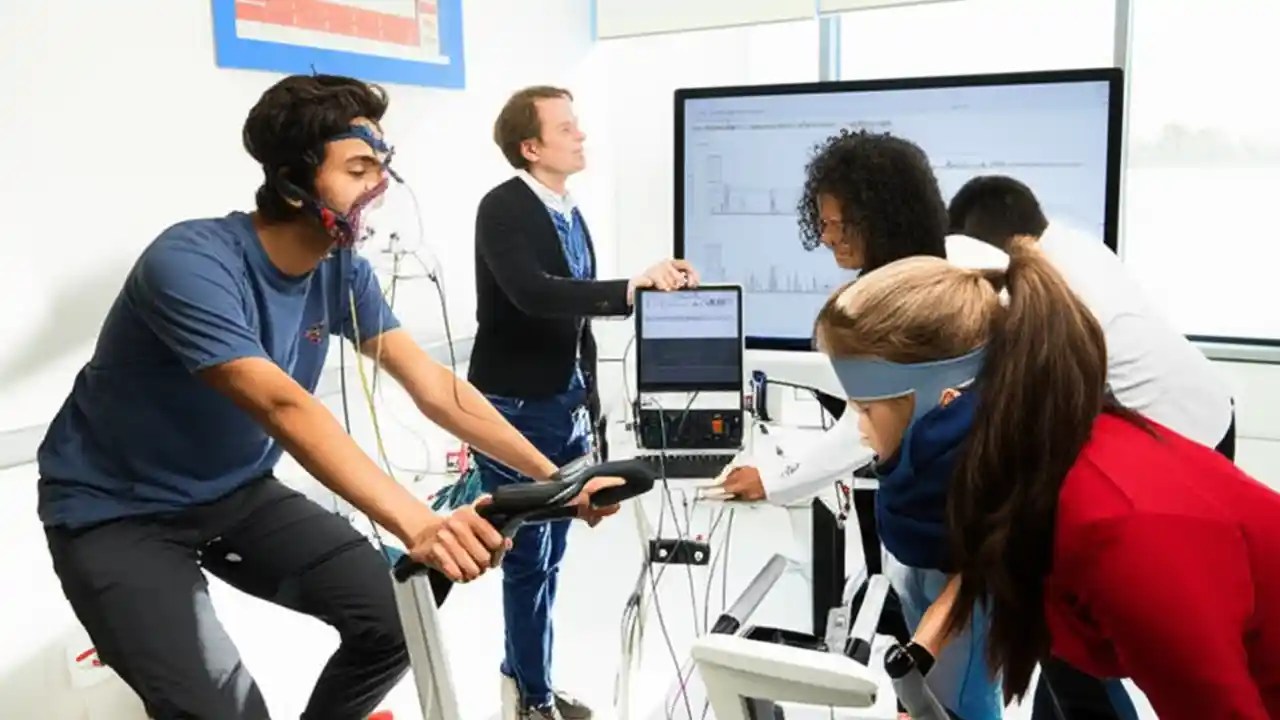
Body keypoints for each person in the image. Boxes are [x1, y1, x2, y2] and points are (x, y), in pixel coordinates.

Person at [36, 74, 621, 720]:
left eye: (384, 167)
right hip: (114, 514)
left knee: (396, 625)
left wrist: (559, 478)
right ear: (292, 182)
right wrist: (420, 524)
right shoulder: (190, 262)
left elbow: (437, 388)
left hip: (234, 492)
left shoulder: (343, 271)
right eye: (359, 168)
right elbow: (283, 408)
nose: (380, 187)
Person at [814, 245, 1280, 719]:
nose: (859, 429)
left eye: (867, 409)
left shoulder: (1115, 530)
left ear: (947, 402)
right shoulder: (1027, 478)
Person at [716, 129, 1005, 719]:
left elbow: (864, 424)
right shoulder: (902, 286)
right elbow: (873, 418)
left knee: (965, 694)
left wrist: (777, 479)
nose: (825, 236)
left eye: (835, 223)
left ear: (876, 217)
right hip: (921, 533)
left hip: (957, 542)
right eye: (819, 222)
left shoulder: (937, 300)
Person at [948, 175, 1238, 720]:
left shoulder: (1043, 290)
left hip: (1170, 443)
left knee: (1081, 627)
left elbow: (1037, 417)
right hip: (1209, 414)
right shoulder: (1073, 244)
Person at [466, 85, 698, 719]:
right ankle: (533, 701)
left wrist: (593, 411)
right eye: (566, 128)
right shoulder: (503, 207)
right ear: (531, 145)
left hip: (564, 403)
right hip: (515, 407)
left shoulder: (566, 209)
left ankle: (524, 684)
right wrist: (629, 286)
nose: (582, 135)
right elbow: (535, 293)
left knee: (551, 555)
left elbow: (577, 322)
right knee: (527, 559)